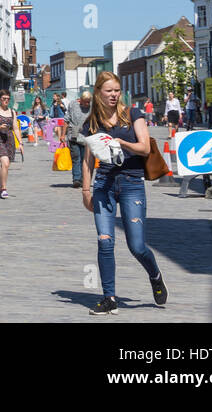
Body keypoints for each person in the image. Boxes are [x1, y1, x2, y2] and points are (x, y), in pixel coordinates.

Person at [80, 71, 167, 316]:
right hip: (103, 186)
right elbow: (87, 161)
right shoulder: (92, 123)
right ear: (98, 93)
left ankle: (155, 275)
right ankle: (109, 298)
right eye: (109, 91)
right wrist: (86, 190)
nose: (114, 95)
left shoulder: (132, 114)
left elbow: (144, 146)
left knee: (137, 246)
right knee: (105, 242)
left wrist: (121, 143)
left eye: (117, 90)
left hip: (131, 183)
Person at [65, 90, 92, 188]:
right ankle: (76, 179)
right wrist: (62, 135)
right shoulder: (73, 105)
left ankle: (83, 179)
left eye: (89, 101)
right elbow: (66, 120)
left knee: (84, 159)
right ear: (81, 100)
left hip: (86, 137)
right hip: (74, 135)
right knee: (76, 157)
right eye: (86, 102)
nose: (87, 104)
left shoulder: (92, 108)